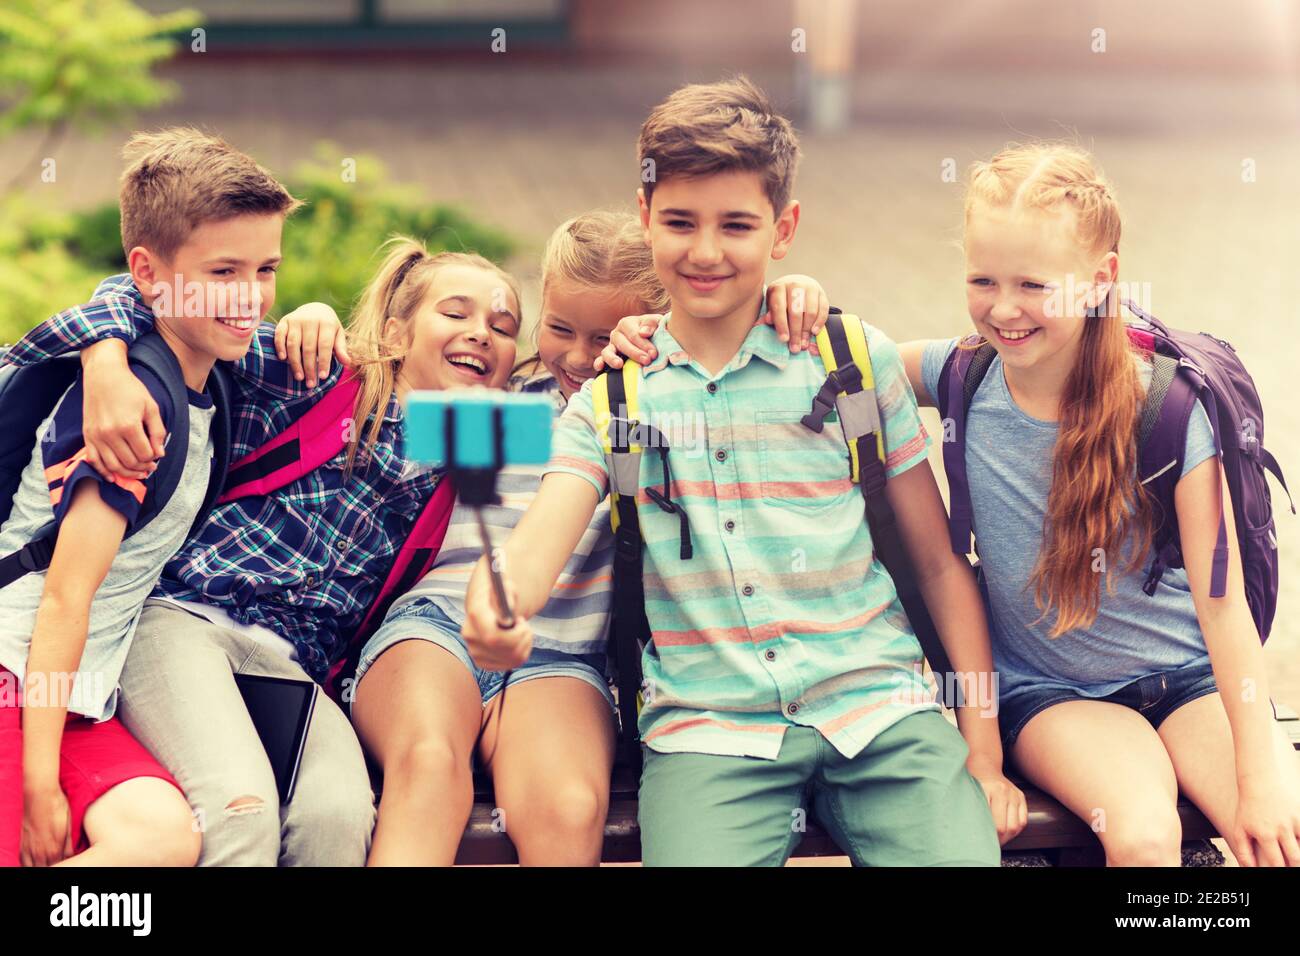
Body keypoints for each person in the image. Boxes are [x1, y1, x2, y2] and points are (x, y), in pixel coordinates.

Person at [464, 77, 1020, 866]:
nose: (705, 252)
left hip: (882, 712)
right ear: (646, 214)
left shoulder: (849, 360)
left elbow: (936, 563)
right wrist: (498, 604)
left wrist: (985, 755)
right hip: (708, 732)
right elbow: (538, 541)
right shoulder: (613, 396)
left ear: (783, 228)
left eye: (736, 225)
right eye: (681, 222)